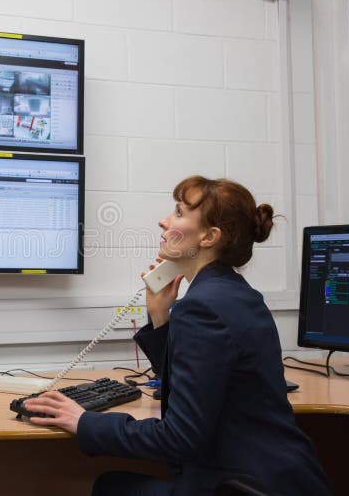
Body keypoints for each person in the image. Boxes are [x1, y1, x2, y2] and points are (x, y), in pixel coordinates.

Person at [24, 176, 332, 496]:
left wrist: (84, 421)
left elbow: (179, 438)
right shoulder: (238, 295)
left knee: (109, 486)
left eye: (179, 212)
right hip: (282, 477)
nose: (164, 220)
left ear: (210, 237)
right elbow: (197, 384)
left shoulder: (202, 307)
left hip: (240, 486)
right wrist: (160, 318)